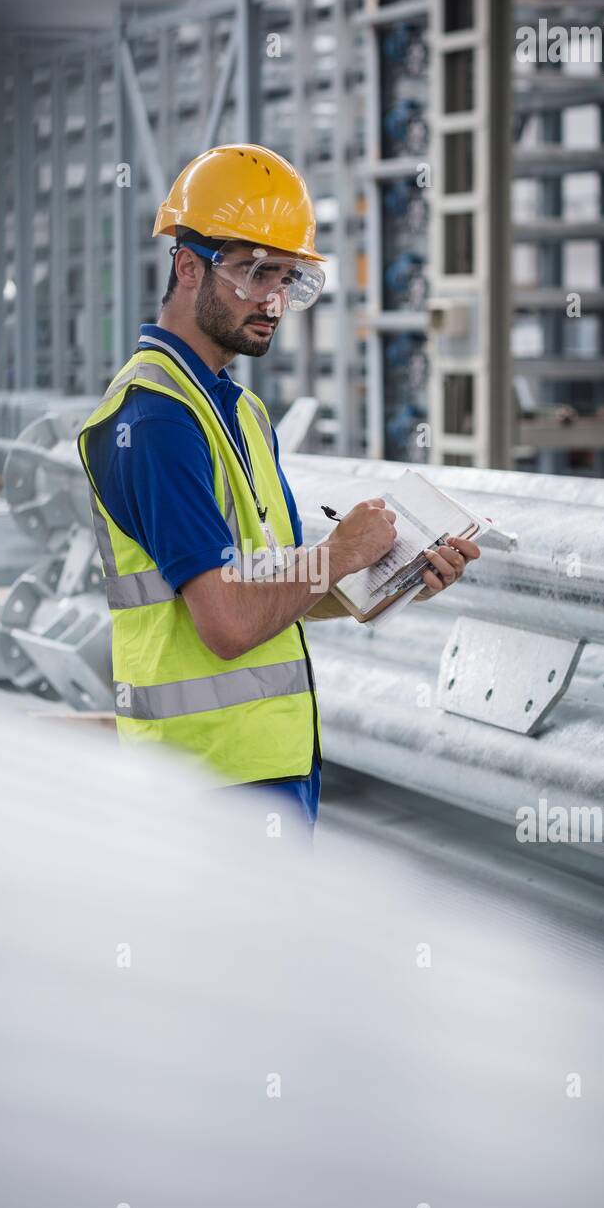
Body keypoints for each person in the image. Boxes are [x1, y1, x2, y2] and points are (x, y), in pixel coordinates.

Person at [78, 143, 479, 837]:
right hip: (202, 786)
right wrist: (340, 550)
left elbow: (275, 595)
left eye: (290, 280)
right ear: (186, 265)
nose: (273, 300)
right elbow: (229, 625)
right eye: (256, 272)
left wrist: (393, 573)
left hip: (264, 771)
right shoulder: (154, 420)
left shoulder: (239, 411)